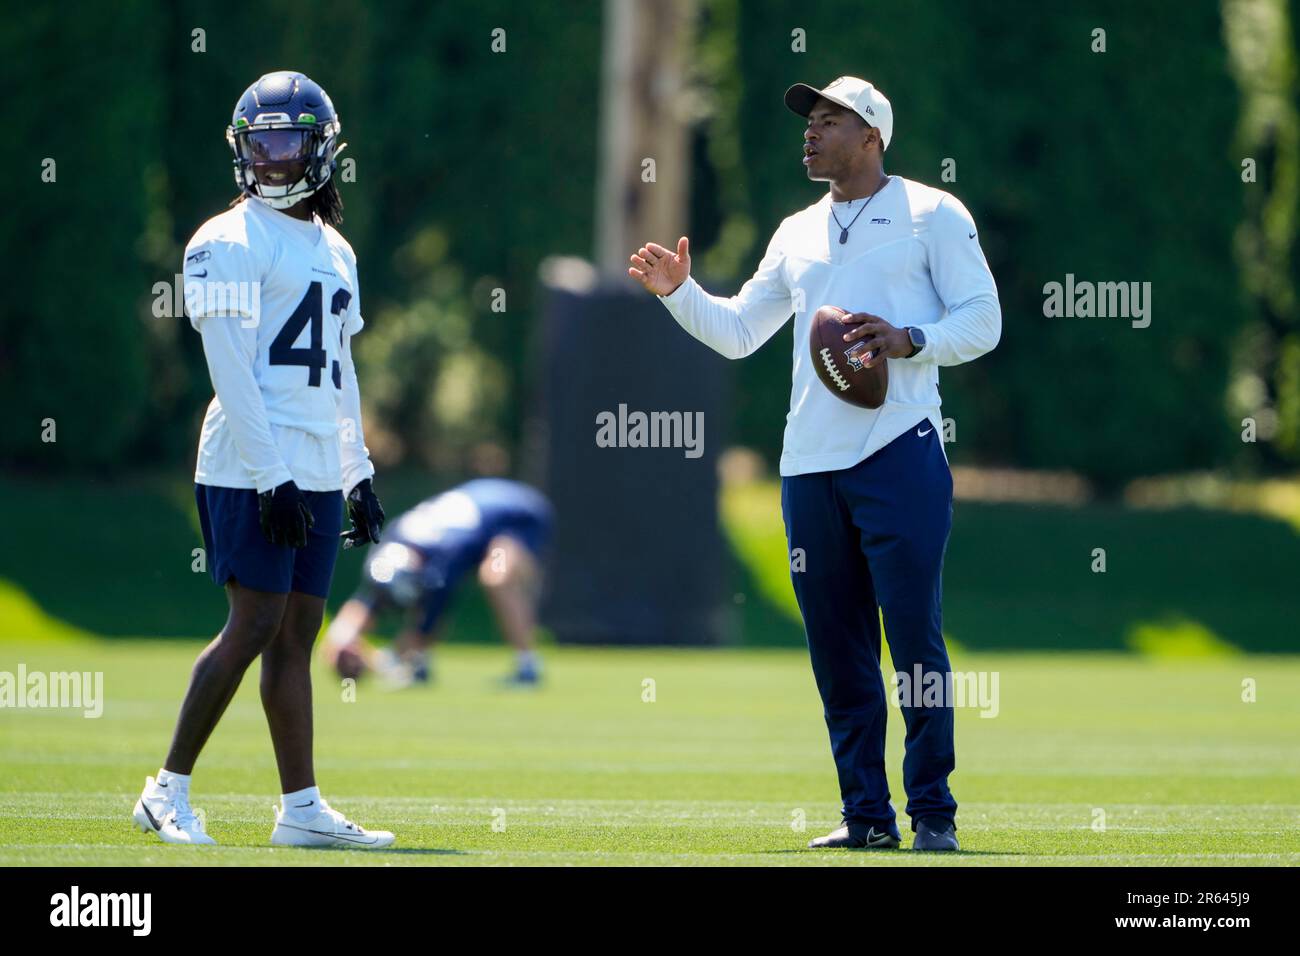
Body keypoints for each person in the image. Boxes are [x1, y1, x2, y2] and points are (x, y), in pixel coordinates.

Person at [628, 77, 1001, 852]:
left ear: (872, 136)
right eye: (809, 121)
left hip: (901, 453)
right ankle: (866, 815)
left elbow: (984, 320)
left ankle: (933, 813)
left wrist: (910, 339)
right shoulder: (796, 230)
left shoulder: (934, 212)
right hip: (809, 467)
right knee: (837, 648)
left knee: (914, 639)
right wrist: (678, 293)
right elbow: (737, 332)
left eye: (830, 121)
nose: (811, 132)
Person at [132, 71, 393, 849]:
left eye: (287, 143)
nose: (273, 160)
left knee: (296, 634)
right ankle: (164, 791)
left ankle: (301, 809)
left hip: (314, 465)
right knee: (253, 623)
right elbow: (232, 369)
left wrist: (357, 470)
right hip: (250, 462)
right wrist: (271, 472)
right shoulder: (225, 238)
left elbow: (340, 371)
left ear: (321, 151)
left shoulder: (336, 249)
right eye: (260, 144)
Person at [323, 479, 553, 687]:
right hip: (478, 503)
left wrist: (388, 658)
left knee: (496, 576)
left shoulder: (447, 554)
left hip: (517, 512)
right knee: (425, 592)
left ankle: (528, 666)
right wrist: (340, 642)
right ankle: (419, 664)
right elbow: (368, 599)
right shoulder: (391, 551)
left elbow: (433, 618)